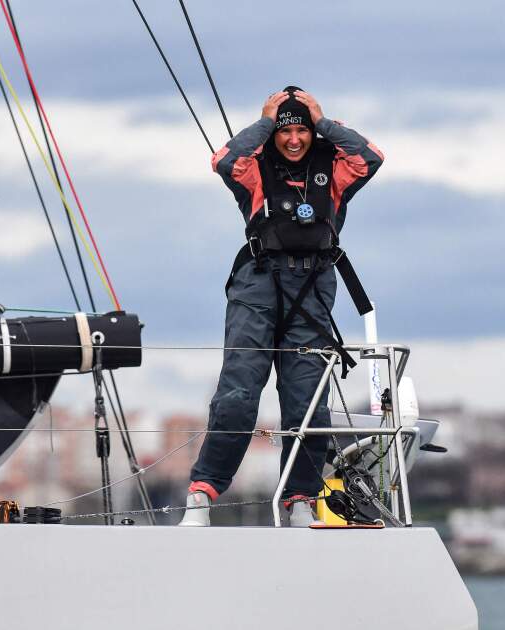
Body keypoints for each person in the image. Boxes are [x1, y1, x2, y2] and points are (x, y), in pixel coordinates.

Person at [179, 86, 383, 527]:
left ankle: (300, 500)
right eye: (285, 130)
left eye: (302, 130)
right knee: (238, 394)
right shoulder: (256, 169)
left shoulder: (334, 168)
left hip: (313, 287)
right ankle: (202, 494)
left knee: (308, 403)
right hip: (258, 284)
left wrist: (324, 121)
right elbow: (223, 160)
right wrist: (265, 122)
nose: (294, 139)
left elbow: (371, 157)